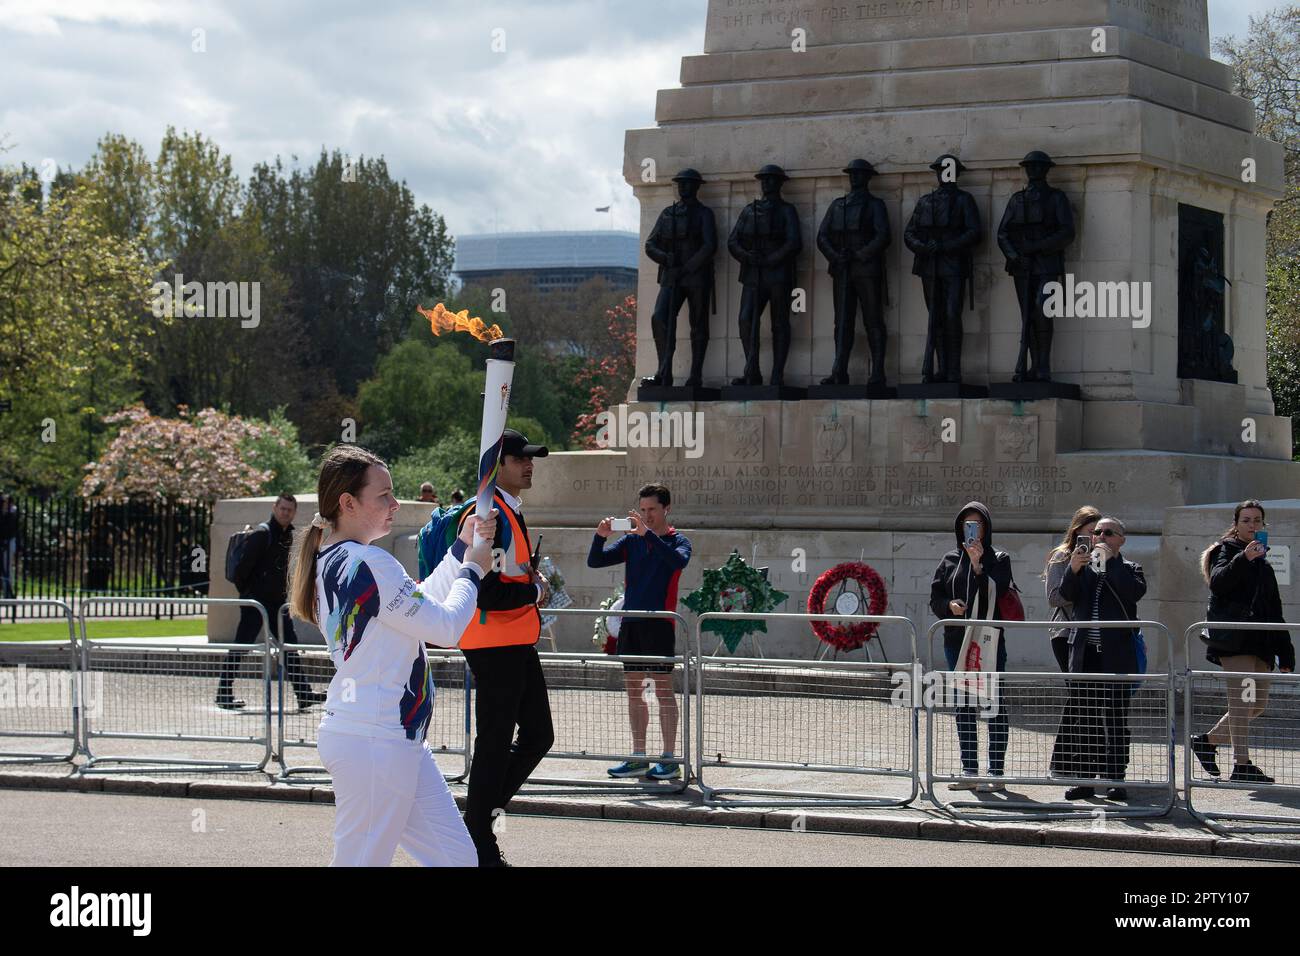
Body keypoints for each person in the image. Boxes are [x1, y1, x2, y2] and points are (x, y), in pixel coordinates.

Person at [288, 445, 494, 867]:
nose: (395, 504)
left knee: (457, 860)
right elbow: (446, 627)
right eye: (383, 495)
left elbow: (423, 608)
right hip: (375, 740)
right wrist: (473, 570)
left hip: (392, 738)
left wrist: (460, 549)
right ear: (348, 503)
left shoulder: (339, 560)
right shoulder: (367, 562)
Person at [455, 429, 555, 867]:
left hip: (513, 638)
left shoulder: (507, 510)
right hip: (494, 641)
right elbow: (487, 592)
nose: (529, 465)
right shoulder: (488, 513)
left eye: (530, 459)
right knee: (495, 744)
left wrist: (531, 586)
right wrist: (534, 593)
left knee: (538, 735)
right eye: (521, 459)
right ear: (499, 467)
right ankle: (478, 840)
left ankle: (474, 823)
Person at [587, 484, 691, 780]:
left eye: (652, 510)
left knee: (662, 690)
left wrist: (648, 536)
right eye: (642, 510)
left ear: (666, 509)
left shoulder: (678, 541)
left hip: (659, 623)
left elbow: (677, 562)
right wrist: (600, 537)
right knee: (634, 691)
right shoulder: (632, 541)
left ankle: (670, 759)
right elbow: (595, 561)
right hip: (631, 623)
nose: (646, 515)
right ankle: (638, 756)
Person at [1191, 500, 1295, 783]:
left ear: (1264, 525)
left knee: (1256, 705)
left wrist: (1286, 652)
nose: (1252, 525)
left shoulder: (1264, 564)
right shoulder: (1226, 551)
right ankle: (1242, 764)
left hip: (1261, 644)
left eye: (1257, 521)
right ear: (1236, 524)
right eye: (1246, 520)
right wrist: (1243, 558)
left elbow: (1274, 610)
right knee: (1242, 702)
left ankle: (1207, 742)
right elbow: (1218, 582)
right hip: (1236, 643)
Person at [1050, 516, 1146, 801]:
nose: (1101, 537)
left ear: (1121, 540)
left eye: (1108, 533)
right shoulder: (1083, 567)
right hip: (1085, 653)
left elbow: (1133, 592)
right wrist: (1073, 570)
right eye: (1097, 532)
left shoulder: (1130, 568)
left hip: (1116, 655)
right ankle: (1085, 780)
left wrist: (1111, 562)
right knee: (1086, 718)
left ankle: (1116, 778)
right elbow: (1066, 595)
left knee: (1114, 718)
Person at [929, 501, 1013, 792]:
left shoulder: (998, 558)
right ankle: (970, 769)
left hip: (989, 640)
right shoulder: (950, 558)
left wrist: (978, 566)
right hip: (957, 639)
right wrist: (949, 606)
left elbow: (999, 590)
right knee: (964, 705)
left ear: (986, 528)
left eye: (977, 525)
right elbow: (935, 597)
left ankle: (996, 772)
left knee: (993, 704)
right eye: (967, 525)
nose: (972, 531)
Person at [218, 493, 325, 710]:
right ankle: (223, 693)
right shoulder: (261, 534)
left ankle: (303, 694)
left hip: (277, 603)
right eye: (282, 508)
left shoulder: (286, 535)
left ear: (294, 512)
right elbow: (241, 572)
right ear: (275, 508)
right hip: (256, 603)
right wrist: (250, 594)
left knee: (290, 647)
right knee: (241, 646)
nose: (285, 513)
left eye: (289, 510)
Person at [1044, 506, 1101, 672]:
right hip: (1066, 632)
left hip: (1094, 634)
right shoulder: (1062, 556)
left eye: (1099, 533)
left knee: (1093, 692)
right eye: (1091, 532)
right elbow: (1053, 598)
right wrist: (1073, 570)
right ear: (1077, 531)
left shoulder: (1099, 556)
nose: (1095, 537)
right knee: (1077, 689)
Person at [0, 494, 17, 600]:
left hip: (7, 542)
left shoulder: (10, 514)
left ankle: (8, 590)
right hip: (4, 542)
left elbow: (10, 530)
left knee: (6, 568)